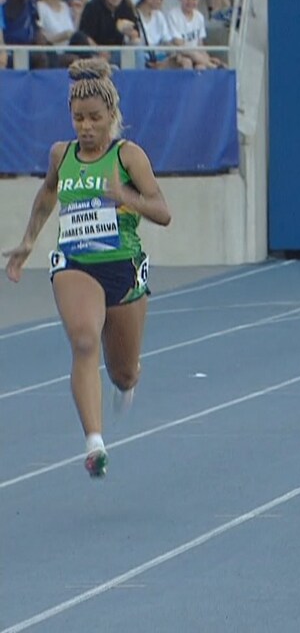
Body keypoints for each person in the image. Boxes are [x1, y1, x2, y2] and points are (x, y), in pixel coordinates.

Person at [3, 58, 172, 478]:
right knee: (82, 341)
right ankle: (94, 442)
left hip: (124, 266)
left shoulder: (128, 156)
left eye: (95, 118)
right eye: (78, 118)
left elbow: (163, 211)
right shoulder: (62, 154)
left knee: (123, 370)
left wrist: (125, 197)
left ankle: (128, 382)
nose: (86, 127)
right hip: (75, 261)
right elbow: (47, 196)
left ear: (111, 117)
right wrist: (27, 241)